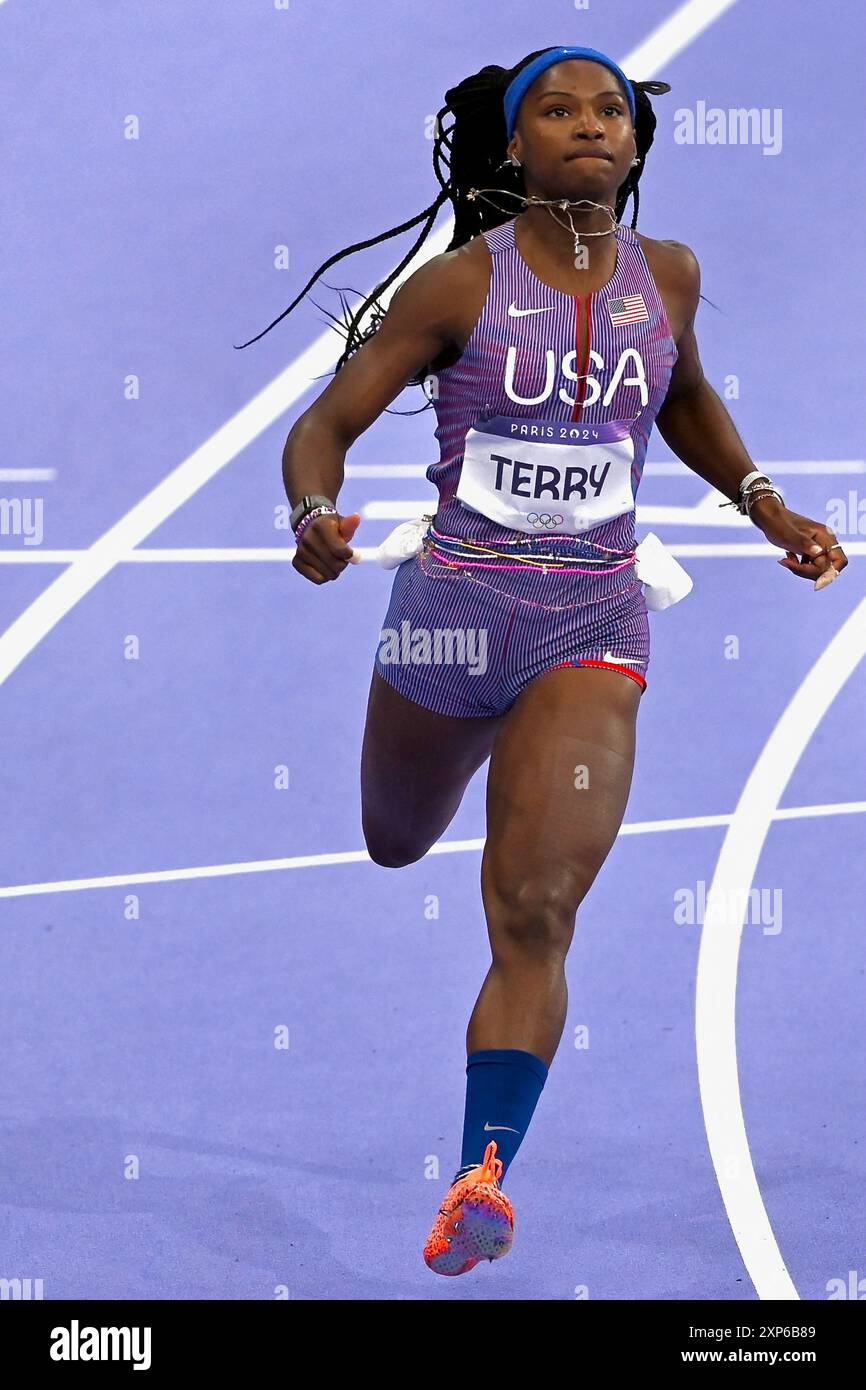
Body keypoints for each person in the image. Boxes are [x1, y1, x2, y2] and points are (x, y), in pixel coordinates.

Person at [251, 44, 847, 1278]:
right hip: (450, 618)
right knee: (394, 839)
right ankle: (460, 754)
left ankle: (478, 1175)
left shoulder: (664, 276)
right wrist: (312, 515)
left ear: (633, 146)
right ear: (512, 147)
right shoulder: (453, 289)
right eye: (557, 111)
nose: (588, 124)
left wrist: (764, 502)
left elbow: (682, 397)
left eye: (608, 111)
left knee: (533, 909)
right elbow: (323, 423)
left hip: (592, 622)